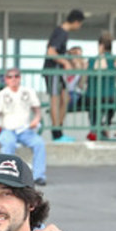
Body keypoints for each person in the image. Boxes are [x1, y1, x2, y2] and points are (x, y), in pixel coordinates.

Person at [0, 68, 48, 185]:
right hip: (7, 130)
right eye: (10, 77)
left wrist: (36, 119)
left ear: (20, 78)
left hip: (25, 130)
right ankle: (7, 177)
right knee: (8, 143)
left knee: (39, 143)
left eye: (16, 76)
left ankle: (39, 176)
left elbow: (37, 110)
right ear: (6, 79)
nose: (13, 79)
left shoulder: (28, 92)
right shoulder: (1, 95)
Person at [45, 8, 85, 142]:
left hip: (59, 72)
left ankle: (59, 129)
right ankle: (56, 133)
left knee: (66, 99)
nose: (80, 27)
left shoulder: (63, 33)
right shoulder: (61, 32)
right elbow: (51, 52)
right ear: (76, 22)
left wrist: (68, 55)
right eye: (80, 24)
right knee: (55, 100)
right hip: (53, 70)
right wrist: (65, 62)